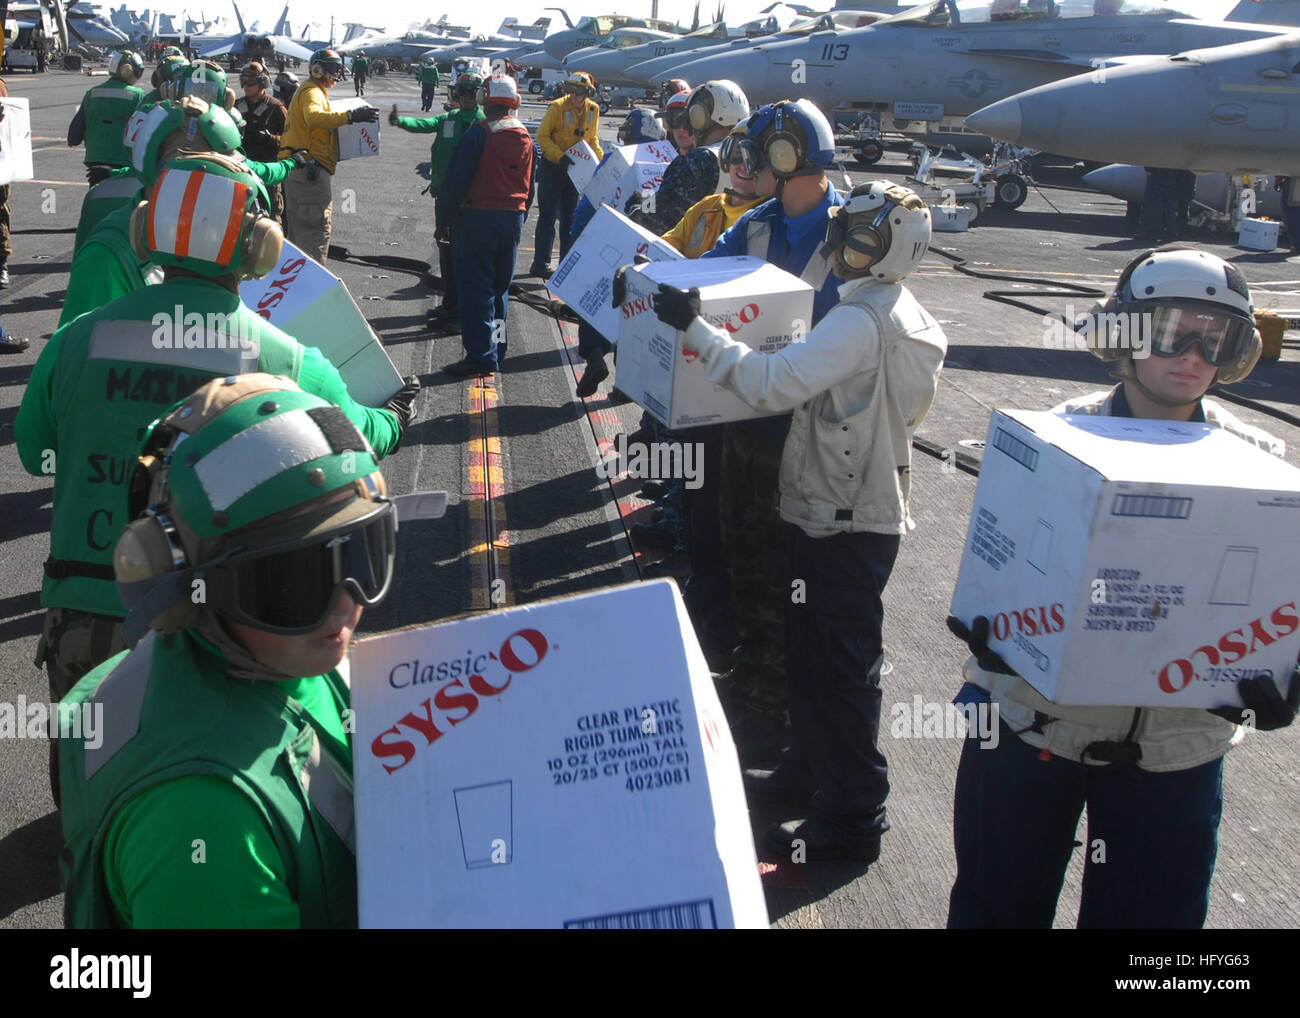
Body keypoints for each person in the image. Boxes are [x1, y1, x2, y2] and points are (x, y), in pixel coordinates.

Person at [15, 154, 417, 788]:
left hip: (82, 614)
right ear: (260, 247)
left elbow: (32, 449)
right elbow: (354, 441)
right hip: (209, 622)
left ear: (149, 230)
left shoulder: (75, 341)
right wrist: (396, 417)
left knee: (86, 790)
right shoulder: (287, 358)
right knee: (202, 785)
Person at [946, 246, 1297, 928]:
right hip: (1033, 725)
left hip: (1174, 752)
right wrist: (988, 628)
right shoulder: (1057, 441)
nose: (1192, 353)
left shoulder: (1262, 465)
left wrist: (1282, 679)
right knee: (996, 909)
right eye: (1172, 330)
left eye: (1214, 336)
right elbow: (1001, 557)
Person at [656, 181, 947, 861]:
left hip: (840, 522)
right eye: (844, 231)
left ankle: (852, 814)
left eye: (859, 238)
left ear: (887, 248)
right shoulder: (905, 313)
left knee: (838, 674)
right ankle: (810, 774)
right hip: (860, 508)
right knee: (819, 658)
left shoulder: (856, 321)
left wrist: (694, 328)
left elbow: (767, 385)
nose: (842, 247)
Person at [58, 374, 413, 928]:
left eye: (361, 555)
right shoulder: (204, 823)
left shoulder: (276, 652)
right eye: (296, 580)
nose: (346, 605)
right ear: (188, 584)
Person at [699, 99, 848, 765]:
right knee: (745, 554)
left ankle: (777, 707)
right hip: (748, 421)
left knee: (793, 575)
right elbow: (702, 277)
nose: (744, 165)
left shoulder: (855, 237)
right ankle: (753, 673)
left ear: (787, 158)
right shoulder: (758, 226)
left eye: (758, 154)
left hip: (813, 434)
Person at [437, 74, 535, 377]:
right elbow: (530, 187)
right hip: (512, 220)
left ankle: (481, 356)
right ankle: (497, 349)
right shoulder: (526, 136)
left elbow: (455, 183)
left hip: (479, 219)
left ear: (484, 99)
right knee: (500, 290)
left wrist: (443, 223)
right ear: (514, 102)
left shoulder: (479, 134)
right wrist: (520, 218)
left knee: (476, 290)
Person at [569, 108, 671, 397]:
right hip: (647, 244)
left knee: (595, 301)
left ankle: (594, 355)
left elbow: (589, 200)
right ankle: (625, 383)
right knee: (635, 311)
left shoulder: (618, 158)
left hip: (609, 239)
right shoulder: (669, 161)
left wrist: (576, 237)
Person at [388, 72, 487, 333]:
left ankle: (458, 312)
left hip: (469, 201)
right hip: (444, 197)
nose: (466, 98)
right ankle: (449, 304)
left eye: (471, 93)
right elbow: (425, 124)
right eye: (462, 93)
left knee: (461, 256)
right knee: (446, 251)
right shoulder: (449, 119)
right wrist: (401, 121)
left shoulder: (483, 124)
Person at [278, 48, 381, 263]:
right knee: (315, 233)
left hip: (299, 170)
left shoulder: (308, 91)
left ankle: (295, 288)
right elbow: (314, 118)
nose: (336, 74)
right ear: (318, 70)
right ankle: (312, 289)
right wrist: (351, 116)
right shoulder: (313, 91)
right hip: (309, 173)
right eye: (333, 69)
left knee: (299, 236)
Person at [628, 79, 749, 236]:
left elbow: (657, 222)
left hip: (690, 254)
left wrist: (639, 205)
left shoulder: (699, 161)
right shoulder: (749, 156)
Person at [530, 71, 602, 279]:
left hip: (575, 169)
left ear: (588, 92)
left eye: (578, 91)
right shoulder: (558, 107)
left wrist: (599, 160)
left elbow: (593, 138)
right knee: (548, 215)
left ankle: (565, 263)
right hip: (554, 167)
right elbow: (542, 136)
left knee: (570, 218)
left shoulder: (593, 109)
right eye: (570, 90)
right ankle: (540, 263)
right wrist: (559, 156)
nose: (574, 95)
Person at [68, 50, 145, 185]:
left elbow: (74, 135)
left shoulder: (92, 93)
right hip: (124, 163)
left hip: (96, 162)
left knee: (97, 199)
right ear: (130, 71)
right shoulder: (138, 96)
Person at [236, 61, 289, 222]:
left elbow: (291, 139)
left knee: (270, 222)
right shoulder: (237, 106)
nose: (246, 86)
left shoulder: (276, 108)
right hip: (241, 172)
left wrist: (270, 139)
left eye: (251, 82)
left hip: (267, 174)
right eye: (243, 81)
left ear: (262, 82)